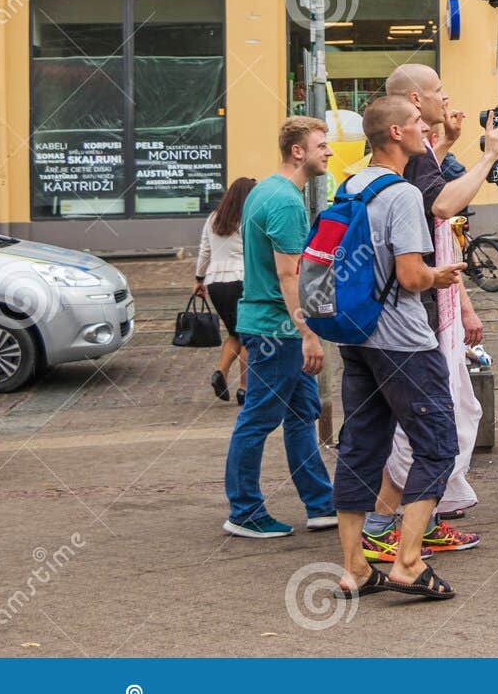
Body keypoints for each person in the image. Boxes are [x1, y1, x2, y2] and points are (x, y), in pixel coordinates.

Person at [359, 65, 498, 560]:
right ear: (415, 100)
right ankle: (387, 529)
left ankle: (419, 521)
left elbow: (430, 202)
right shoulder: (410, 160)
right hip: (413, 317)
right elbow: (441, 207)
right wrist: (488, 158)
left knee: (434, 420)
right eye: (441, 90)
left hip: (411, 315)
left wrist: (447, 142)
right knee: (428, 425)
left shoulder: (402, 161)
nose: (447, 97)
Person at [330, 95, 468, 602]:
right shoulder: (404, 194)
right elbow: (411, 277)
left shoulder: (351, 184)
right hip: (404, 341)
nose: (424, 131)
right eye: (416, 124)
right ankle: (408, 561)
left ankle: (355, 568)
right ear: (394, 133)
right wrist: (442, 275)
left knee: (361, 447)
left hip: (355, 333)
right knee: (437, 444)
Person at [222, 119, 335, 539]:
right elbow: (290, 275)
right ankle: (244, 511)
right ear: (297, 152)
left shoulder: (264, 191)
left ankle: (321, 504)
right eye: (321, 145)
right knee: (258, 419)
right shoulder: (286, 202)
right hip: (278, 331)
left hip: (267, 324)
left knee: (302, 414)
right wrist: (308, 333)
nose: (328, 152)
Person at [197, 176, 256, 405]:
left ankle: (220, 372)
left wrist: (198, 279)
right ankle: (245, 388)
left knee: (234, 332)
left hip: (215, 283)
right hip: (241, 279)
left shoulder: (213, 218)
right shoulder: (249, 219)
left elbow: (204, 251)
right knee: (248, 335)